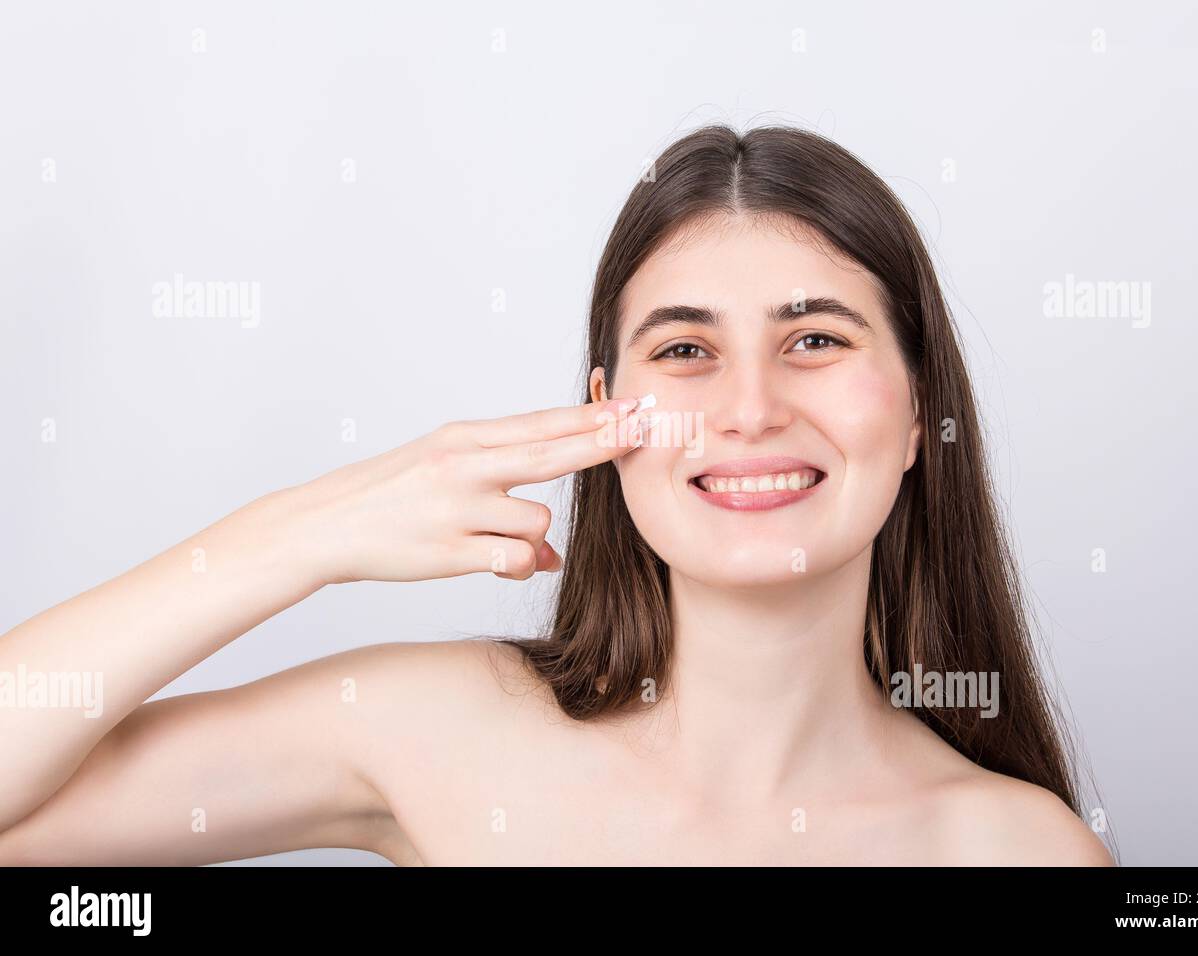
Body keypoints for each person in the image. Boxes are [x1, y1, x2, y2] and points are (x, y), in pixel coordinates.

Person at [0, 125, 1114, 866]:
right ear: (601, 412)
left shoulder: (1014, 849)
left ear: (919, 412)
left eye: (813, 337)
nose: (748, 407)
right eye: (683, 350)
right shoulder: (442, 731)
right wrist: (313, 530)